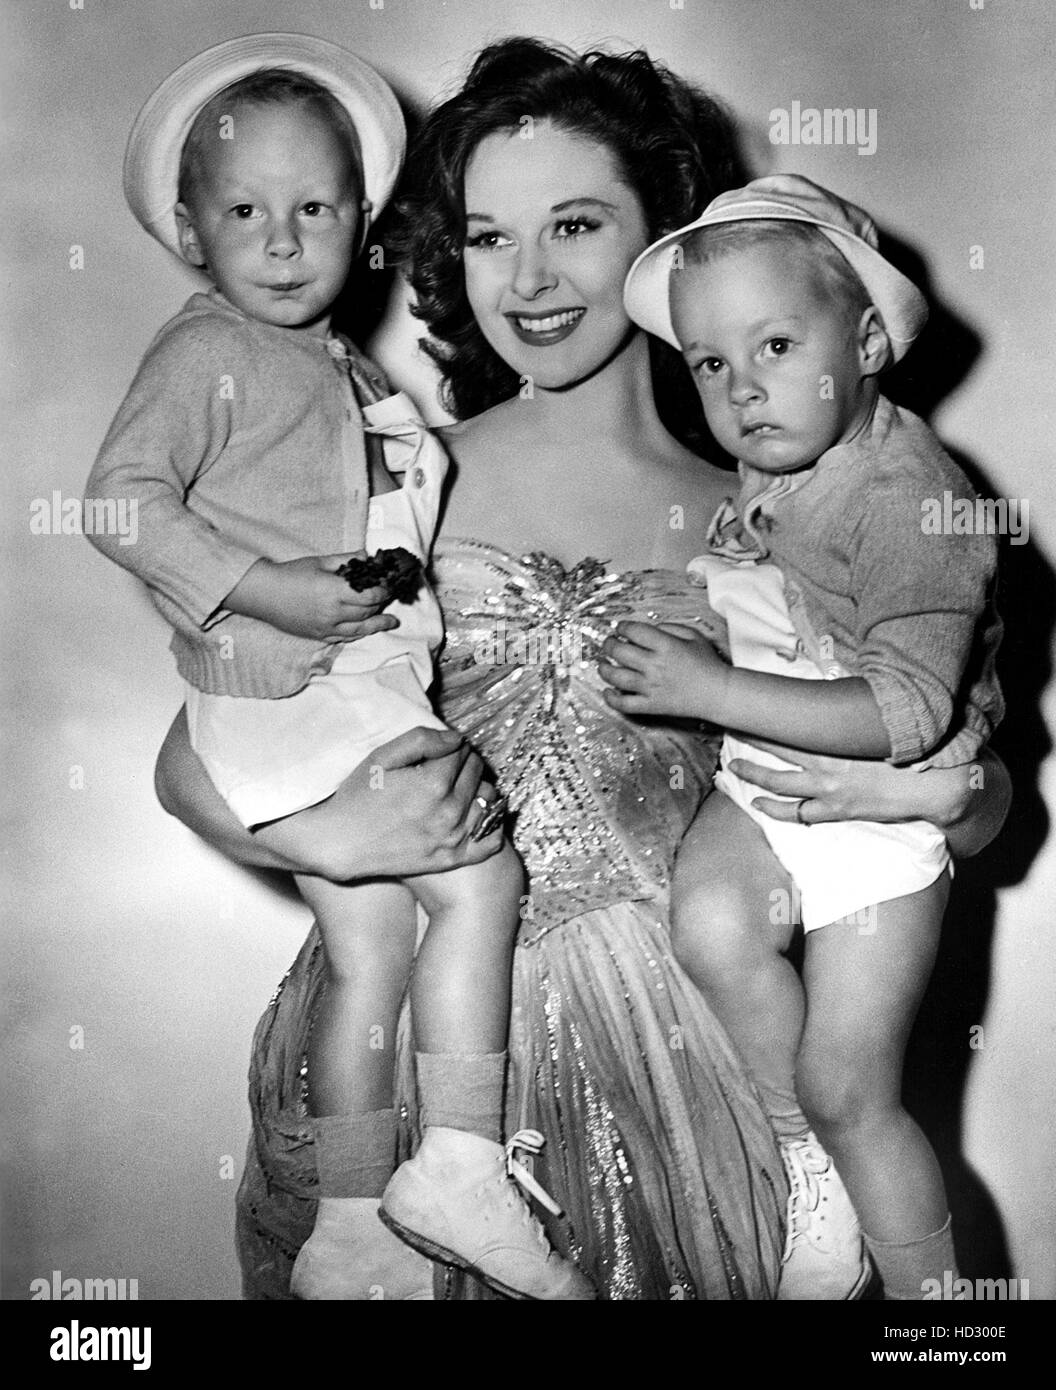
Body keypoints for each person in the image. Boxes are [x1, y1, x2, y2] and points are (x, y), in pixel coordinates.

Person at [151, 39, 1012, 1300]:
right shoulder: (388, 474)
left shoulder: (782, 505)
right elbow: (192, 755)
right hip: (409, 1067)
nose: (531, 278)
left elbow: (970, 780)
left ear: (670, 241)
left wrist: (949, 795)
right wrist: (330, 840)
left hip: (699, 1061)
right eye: (490, 235)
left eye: (576, 223)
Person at [84, 33, 590, 1302]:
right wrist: (268, 592)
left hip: (336, 693)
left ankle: (354, 1219)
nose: (284, 238)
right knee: (477, 887)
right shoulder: (209, 350)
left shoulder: (339, 368)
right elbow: (118, 505)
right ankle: (463, 1157)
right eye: (245, 210)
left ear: (362, 222)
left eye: (315, 208)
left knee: (370, 952)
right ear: (192, 236)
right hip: (302, 695)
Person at [611, 174, 1003, 1299]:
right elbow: (795, 562)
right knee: (714, 925)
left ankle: (945, 1319)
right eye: (710, 363)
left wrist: (709, 685)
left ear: (871, 340)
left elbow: (908, 712)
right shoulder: (798, 443)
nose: (742, 390)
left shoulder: (910, 493)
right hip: (774, 787)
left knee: (852, 1084)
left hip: (883, 818)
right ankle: (804, 1156)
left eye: (776, 344)